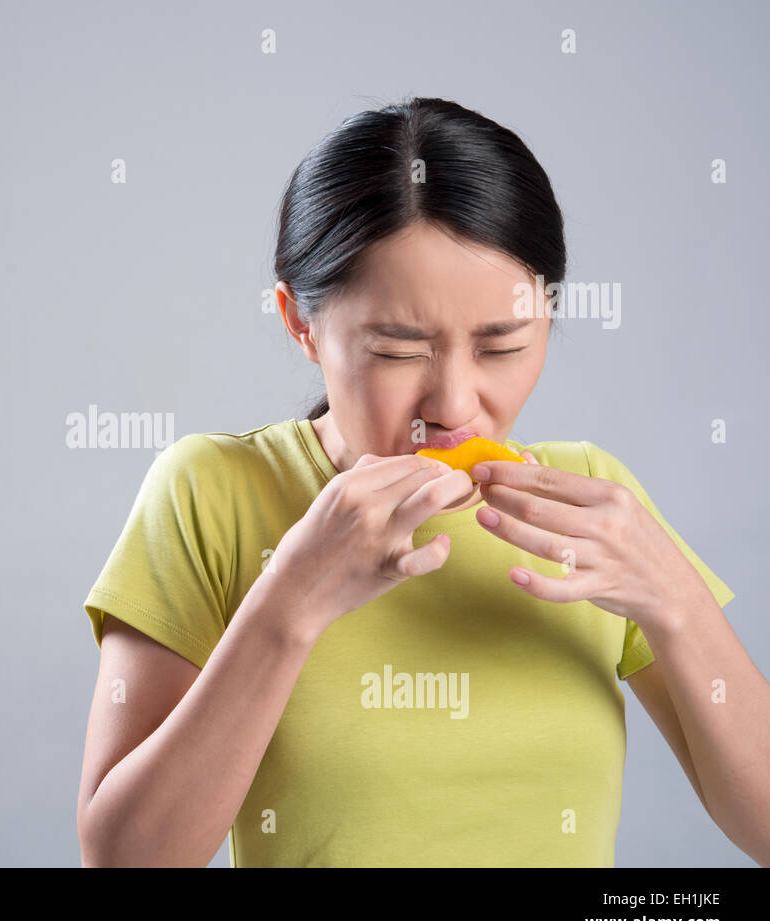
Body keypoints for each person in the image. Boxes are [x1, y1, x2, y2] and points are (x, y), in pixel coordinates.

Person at [75, 97, 768, 867]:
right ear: (299, 324)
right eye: (400, 350)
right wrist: (289, 602)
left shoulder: (589, 500)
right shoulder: (213, 492)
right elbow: (124, 859)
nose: (455, 405)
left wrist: (675, 601)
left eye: (502, 345)